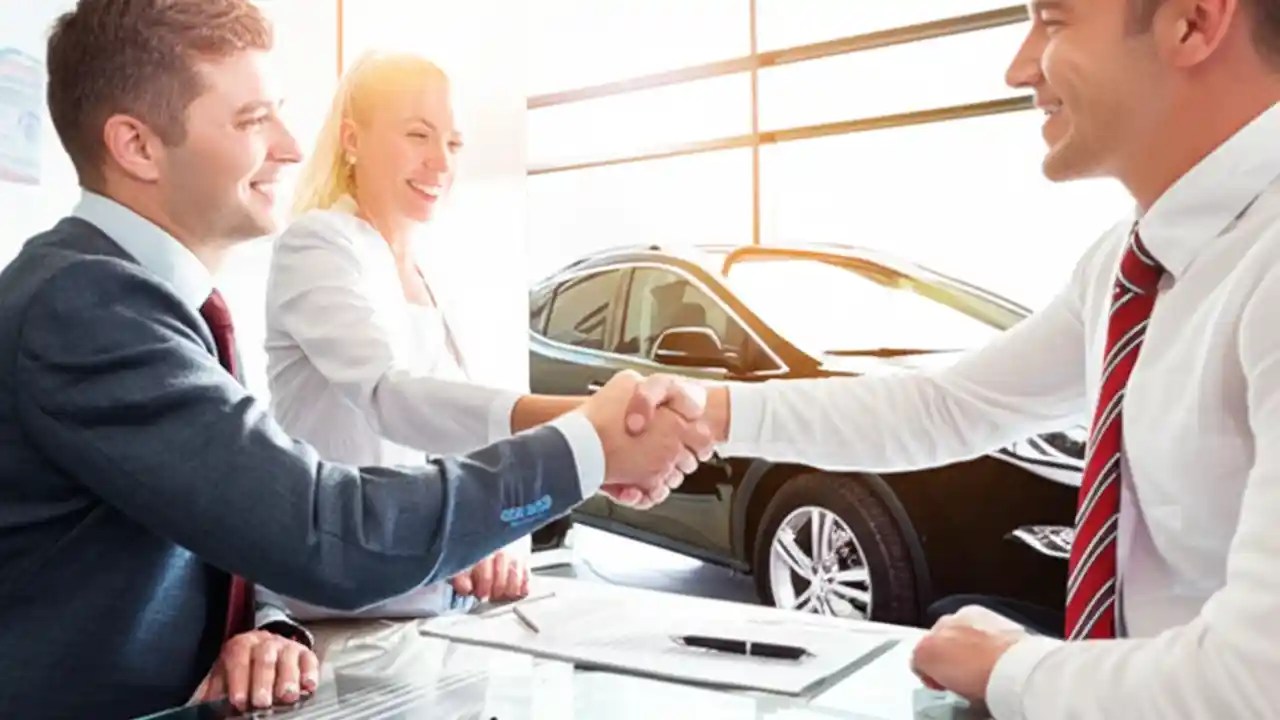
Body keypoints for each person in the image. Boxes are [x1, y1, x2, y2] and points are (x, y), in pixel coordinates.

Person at [0, 2, 711, 718]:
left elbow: (232, 509)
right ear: (137, 146)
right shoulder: (86, 305)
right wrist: (585, 446)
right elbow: (319, 528)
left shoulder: (156, 299)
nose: (288, 145)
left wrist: (264, 623)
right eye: (253, 120)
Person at [628, 0, 1280, 716]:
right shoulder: (1131, 264)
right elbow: (948, 405)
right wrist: (709, 413)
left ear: (1192, 22)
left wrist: (1011, 666)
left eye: (1054, 22)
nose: (1017, 68)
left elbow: (1254, 683)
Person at [257, 51, 571, 621]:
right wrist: (576, 422)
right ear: (352, 140)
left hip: (432, 598)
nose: (439, 162)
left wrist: (488, 540)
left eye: (452, 143)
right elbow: (391, 397)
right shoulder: (317, 245)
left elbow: (456, 442)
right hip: (342, 600)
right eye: (417, 135)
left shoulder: (433, 273)